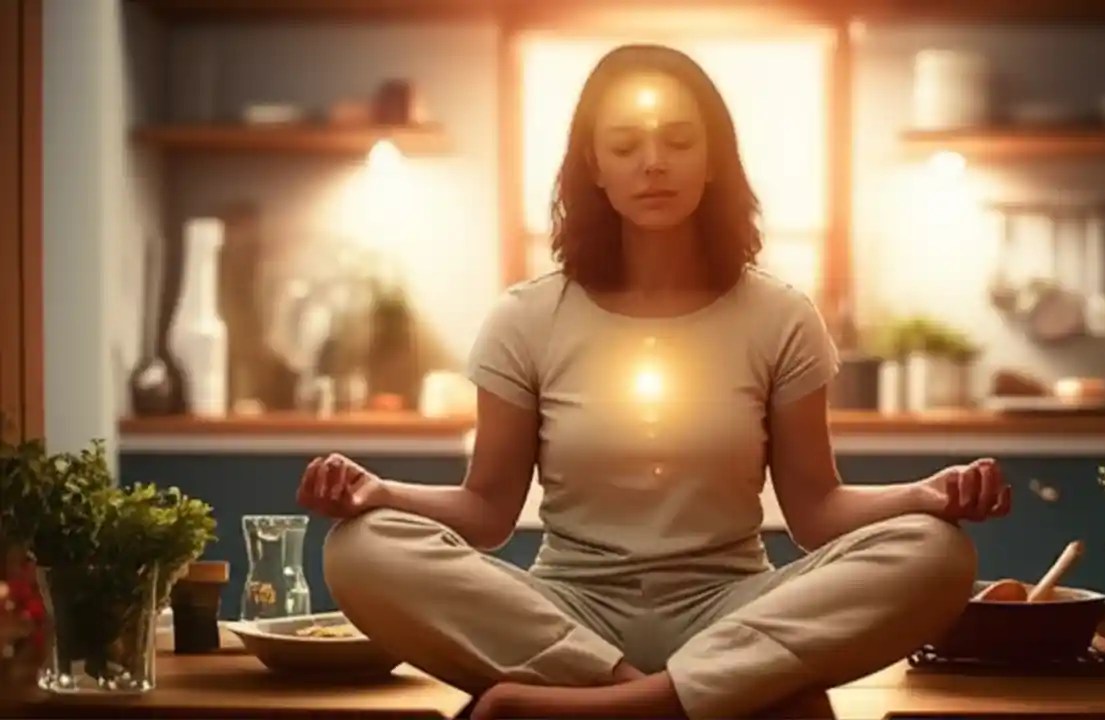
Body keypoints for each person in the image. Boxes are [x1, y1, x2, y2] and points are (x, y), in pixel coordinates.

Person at [298, 43, 1011, 719]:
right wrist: (379, 493)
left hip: (731, 607)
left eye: (677, 140)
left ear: (712, 160)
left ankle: (619, 711)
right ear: (594, 166)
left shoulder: (781, 316)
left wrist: (926, 496)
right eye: (626, 144)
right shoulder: (527, 318)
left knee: (936, 550)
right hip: (570, 613)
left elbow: (815, 512)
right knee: (360, 547)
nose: (653, 164)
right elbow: (486, 510)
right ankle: (685, 698)